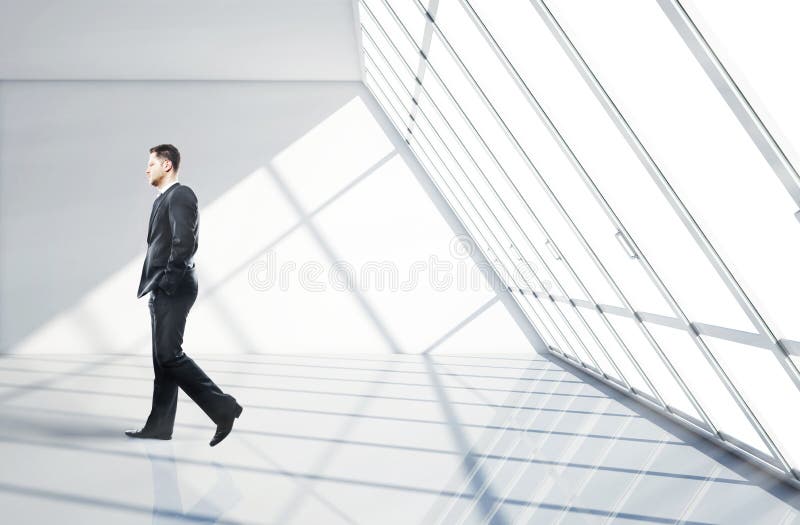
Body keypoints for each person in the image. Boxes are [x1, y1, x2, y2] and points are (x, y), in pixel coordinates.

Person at [126, 144, 242, 446]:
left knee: (169, 355)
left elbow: (185, 242)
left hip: (174, 287)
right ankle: (159, 426)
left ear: (167, 165)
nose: (146, 169)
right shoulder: (162, 200)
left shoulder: (181, 195)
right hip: (162, 286)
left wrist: (167, 281)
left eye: (151, 163)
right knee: (162, 361)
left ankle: (223, 407)